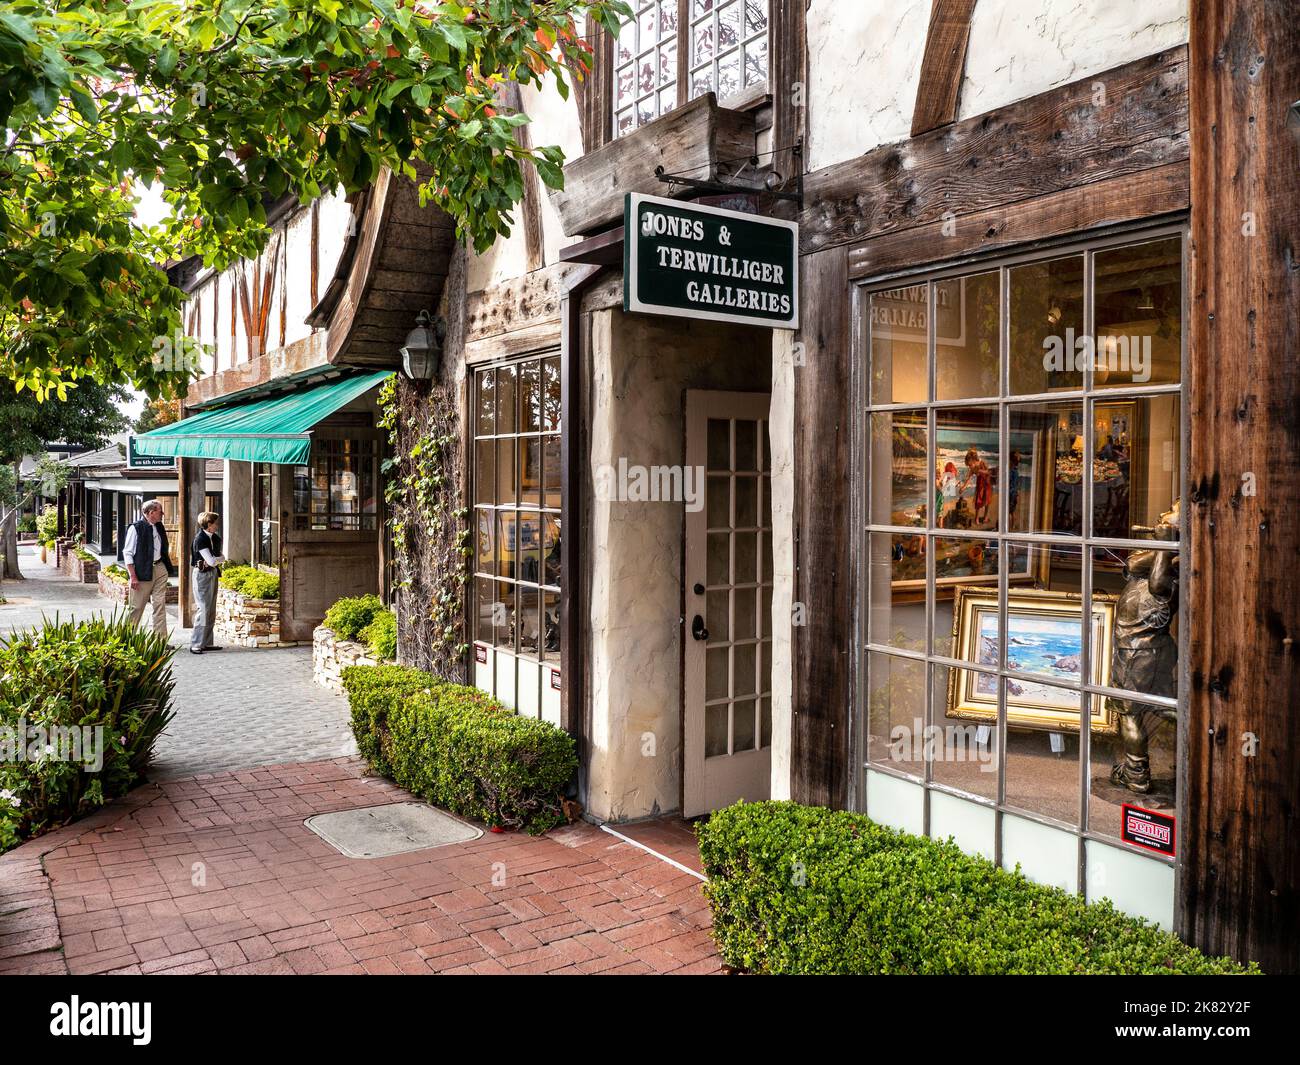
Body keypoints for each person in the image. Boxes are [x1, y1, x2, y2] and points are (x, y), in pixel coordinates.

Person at [122, 500, 178, 636]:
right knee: (136, 608)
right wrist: (133, 576)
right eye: (160, 511)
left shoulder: (159, 526)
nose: (163, 514)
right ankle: (126, 641)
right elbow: (127, 553)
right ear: (151, 512)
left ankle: (160, 641)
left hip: (160, 568)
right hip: (142, 572)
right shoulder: (135, 528)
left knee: (159, 605)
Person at [189, 511, 227, 655]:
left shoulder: (215, 538)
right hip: (201, 575)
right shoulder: (200, 539)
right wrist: (216, 560)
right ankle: (196, 644)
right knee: (203, 609)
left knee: (211, 609)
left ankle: (207, 642)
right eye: (216, 522)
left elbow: (221, 558)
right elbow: (212, 561)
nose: (218, 525)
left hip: (212, 573)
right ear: (209, 524)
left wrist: (216, 560)